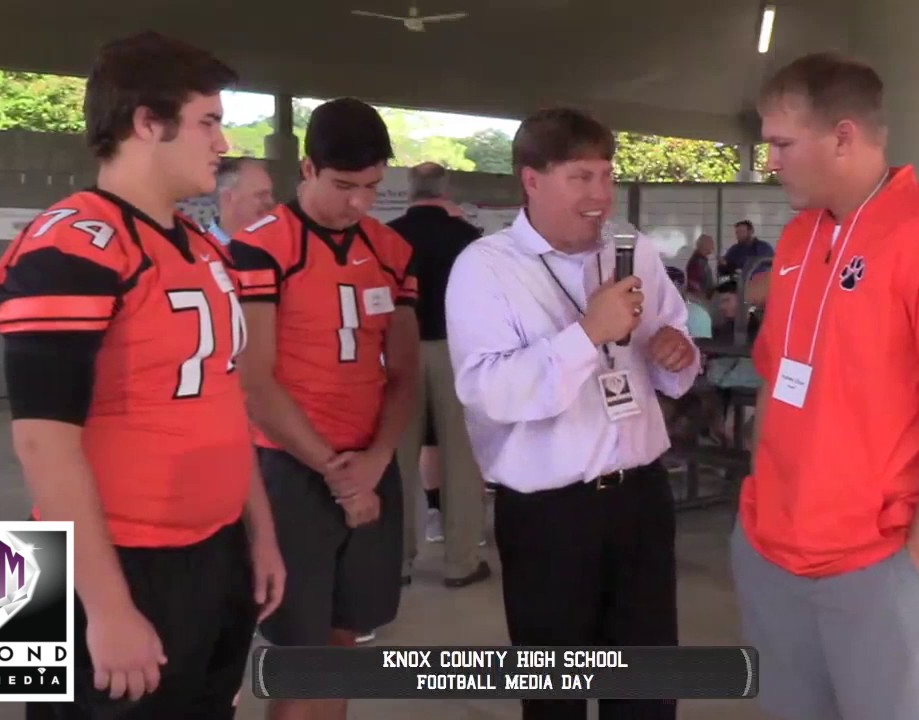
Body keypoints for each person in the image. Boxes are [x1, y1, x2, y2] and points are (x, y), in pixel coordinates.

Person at [0, 31, 285, 719]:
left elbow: (223, 402)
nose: (222, 140)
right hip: (115, 561)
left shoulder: (202, 246)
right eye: (209, 121)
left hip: (212, 551)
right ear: (148, 123)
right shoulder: (72, 244)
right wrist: (107, 607)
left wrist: (257, 534)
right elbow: (42, 443)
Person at [731, 51, 919, 720]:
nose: (770, 160)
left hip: (877, 564)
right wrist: (760, 501)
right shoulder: (800, 237)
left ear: (843, 136)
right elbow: (776, 377)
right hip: (773, 550)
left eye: (781, 143)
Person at [445, 107, 700, 720]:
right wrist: (588, 334)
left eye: (607, 176)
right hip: (549, 516)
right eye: (581, 178)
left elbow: (673, 340)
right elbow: (490, 391)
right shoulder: (486, 268)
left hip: (640, 498)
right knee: (556, 696)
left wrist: (676, 351)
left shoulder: (630, 248)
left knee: (646, 689)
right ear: (531, 180)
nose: (601, 196)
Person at [229, 96, 418, 720]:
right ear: (307, 170)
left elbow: (405, 373)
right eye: (344, 185)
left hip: (371, 467)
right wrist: (339, 476)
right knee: (299, 652)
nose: (359, 202)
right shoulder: (261, 249)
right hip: (293, 468)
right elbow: (256, 384)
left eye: (372, 186)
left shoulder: (392, 251)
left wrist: (377, 460)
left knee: (345, 644)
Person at [388, 161, 491, 588]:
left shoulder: (387, 236)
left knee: (397, 461)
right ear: (445, 190)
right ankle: (460, 562)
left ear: (410, 191)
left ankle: (397, 562)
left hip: (399, 347)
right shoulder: (469, 239)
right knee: (460, 458)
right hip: (456, 350)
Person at [211, 156, 276, 244]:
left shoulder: (277, 248)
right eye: (261, 195)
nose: (271, 202)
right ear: (227, 197)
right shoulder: (197, 250)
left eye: (270, 195)